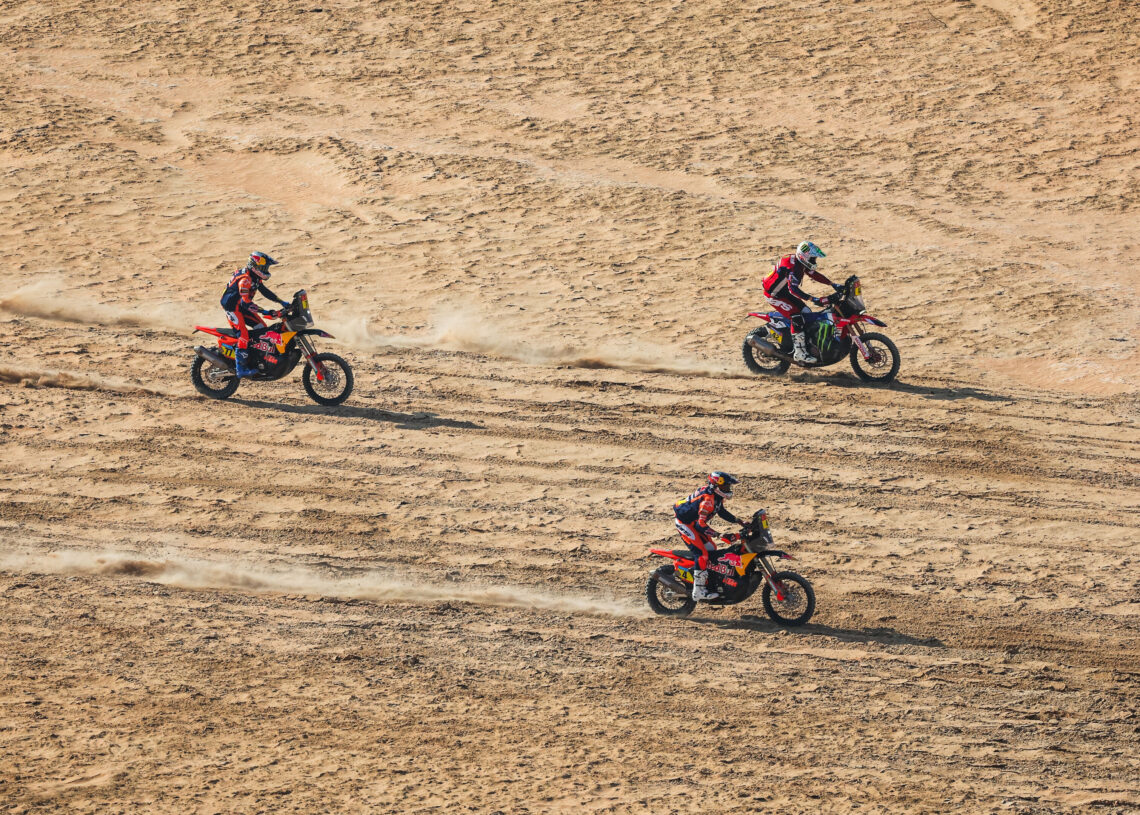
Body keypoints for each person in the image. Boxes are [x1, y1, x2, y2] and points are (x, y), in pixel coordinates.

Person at [762, 240, 843, 364]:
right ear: (804, 257)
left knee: (807, 313)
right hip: (774, 295)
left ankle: (804, 344)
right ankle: (800, 353)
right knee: (797, 318)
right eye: (813, 259)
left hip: (784, 293)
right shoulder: (793, 268)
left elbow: (814, 274)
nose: (814, 261)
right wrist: (812, 299)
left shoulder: (800, 263)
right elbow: (793, 289)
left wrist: (832, 284)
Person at [673, 471, 744, 601]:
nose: (728, 489)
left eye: (728, 486)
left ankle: (709, 583)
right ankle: (698, 591)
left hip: (693, 522)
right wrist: (719, 534)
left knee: (711, 548)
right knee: (702, 554)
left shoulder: (716, 496)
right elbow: (701, 525)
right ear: (716, 486)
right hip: (685, 524)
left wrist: (739, 521)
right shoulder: (708, 500)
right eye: (726, 487)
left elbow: (721, 511)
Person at [220, 251, 289, 377]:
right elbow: (246, 303)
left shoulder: (254, 277)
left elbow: (264, 291)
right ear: (255, 266)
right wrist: (266, 311)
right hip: (232, 308)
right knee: (243, 335)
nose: (266, 270)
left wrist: (281, 302)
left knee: (262, 329)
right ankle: (241, 368)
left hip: (240, 306)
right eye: (264, 267)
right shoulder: (245, 280)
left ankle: (254, 357)